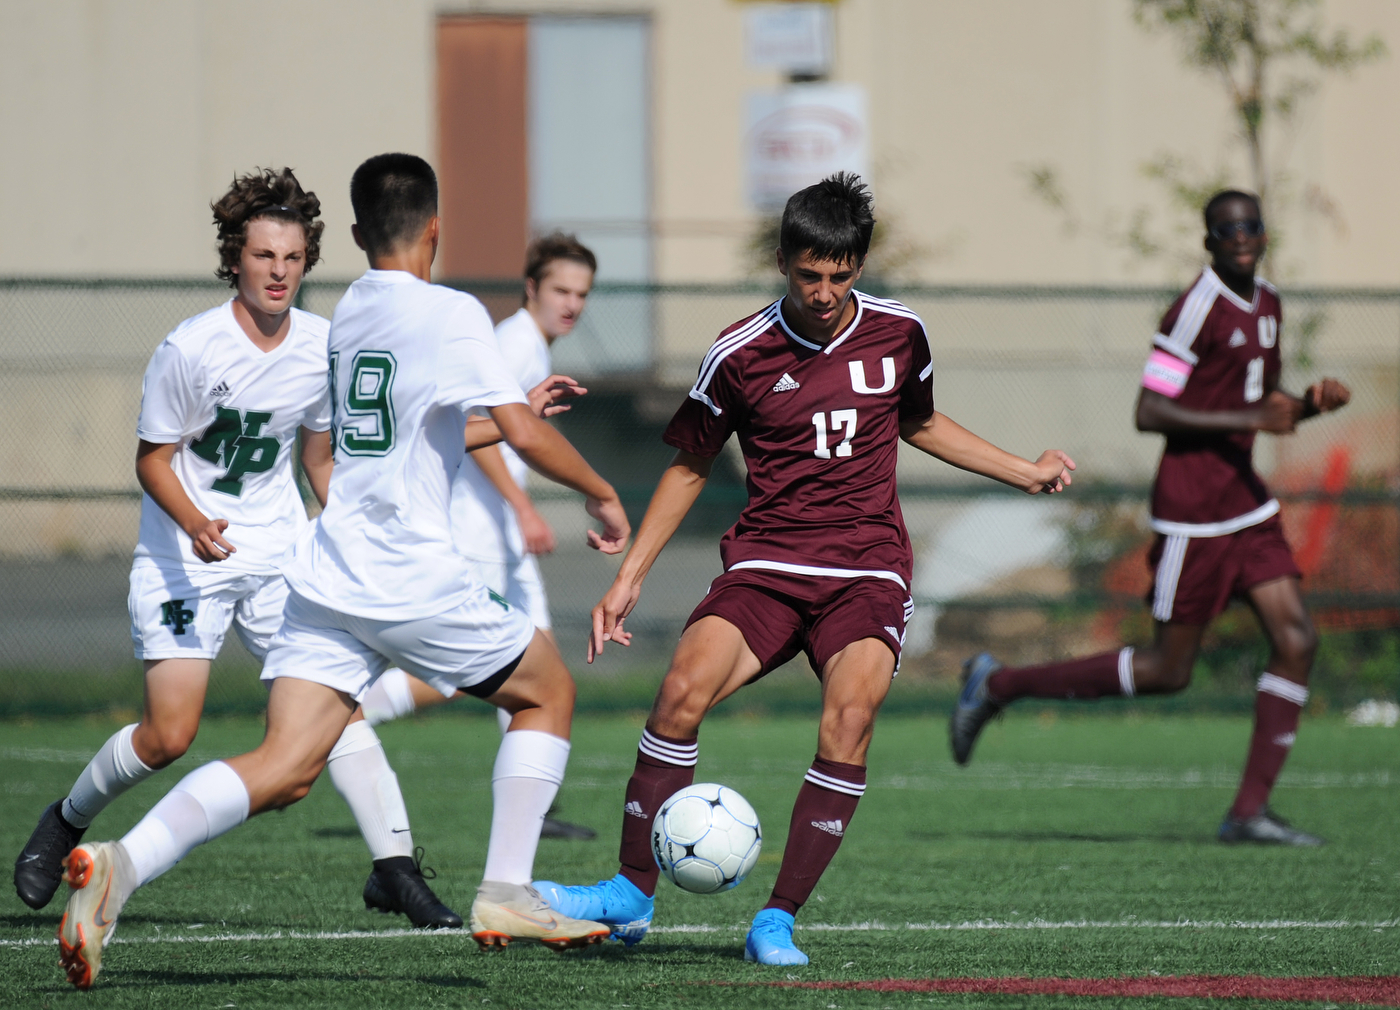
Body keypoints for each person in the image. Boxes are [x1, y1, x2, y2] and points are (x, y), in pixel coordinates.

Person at [53, 153, 631, 990]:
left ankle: (120, 864)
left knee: (284, 766)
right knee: (547, 691)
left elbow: (382, 431)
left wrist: (500, 418)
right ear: (437, 229)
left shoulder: (351, 311)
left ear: (355, 238)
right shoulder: (453, 310)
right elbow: (521, 431)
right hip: (409, 572)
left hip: (324, 577)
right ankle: (507, 888)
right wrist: (604, 493)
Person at [533, 173, 1075, 966]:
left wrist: (1022, 470)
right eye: (809, 274)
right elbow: (689, 466)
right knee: (681, 689)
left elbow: (919, 421)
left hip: (868, 569)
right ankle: (629, 893)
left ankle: (777, 918)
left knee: (850, 717)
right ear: (784, 261)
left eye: (841, 275)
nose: (824, 293)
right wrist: (629, 577)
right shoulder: (739, 351)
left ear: (859, 265)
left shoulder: (899, 334)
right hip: (766, 564)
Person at [14, 167, 459, 930]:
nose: (278, 271)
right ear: (235, 259)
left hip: (281, 559)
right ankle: (67, 818)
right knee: (169, 735)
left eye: (291, 258)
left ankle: (398, 872)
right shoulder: (191, 349)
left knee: (337, 712)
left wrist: (345, 529)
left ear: (307, 260)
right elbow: (152, 459)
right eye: (263, 256)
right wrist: (194, 520)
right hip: (187, 559)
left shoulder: (324, 345)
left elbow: (320, 457)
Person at [950, 190, 1351, 847]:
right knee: (1169, 670)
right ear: (1209, 242)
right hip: (1195, 514)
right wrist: (1250, 418)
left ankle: (1249, 812)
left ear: (1263, 234)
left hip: (1247, 503)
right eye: (1227, 229)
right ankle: (999, 683)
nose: (1241, 237)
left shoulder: (1270, 304)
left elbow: (1257, 402)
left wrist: (1307, 404)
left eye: (1251, 226)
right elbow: (1150, 409)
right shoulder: (1195, 309)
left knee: (1297, 640)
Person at [361, 233, 601, 840]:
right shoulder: (515, 343)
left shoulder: (532, 347)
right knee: (457, 676)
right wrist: (523, 505)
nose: (571, 304)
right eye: (560, 291)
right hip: (479, 535)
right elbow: (477, 425)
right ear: (532, 289)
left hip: (503, 540)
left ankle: (533, 807)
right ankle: (351, 712)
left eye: (581, 294)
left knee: (538, 664)